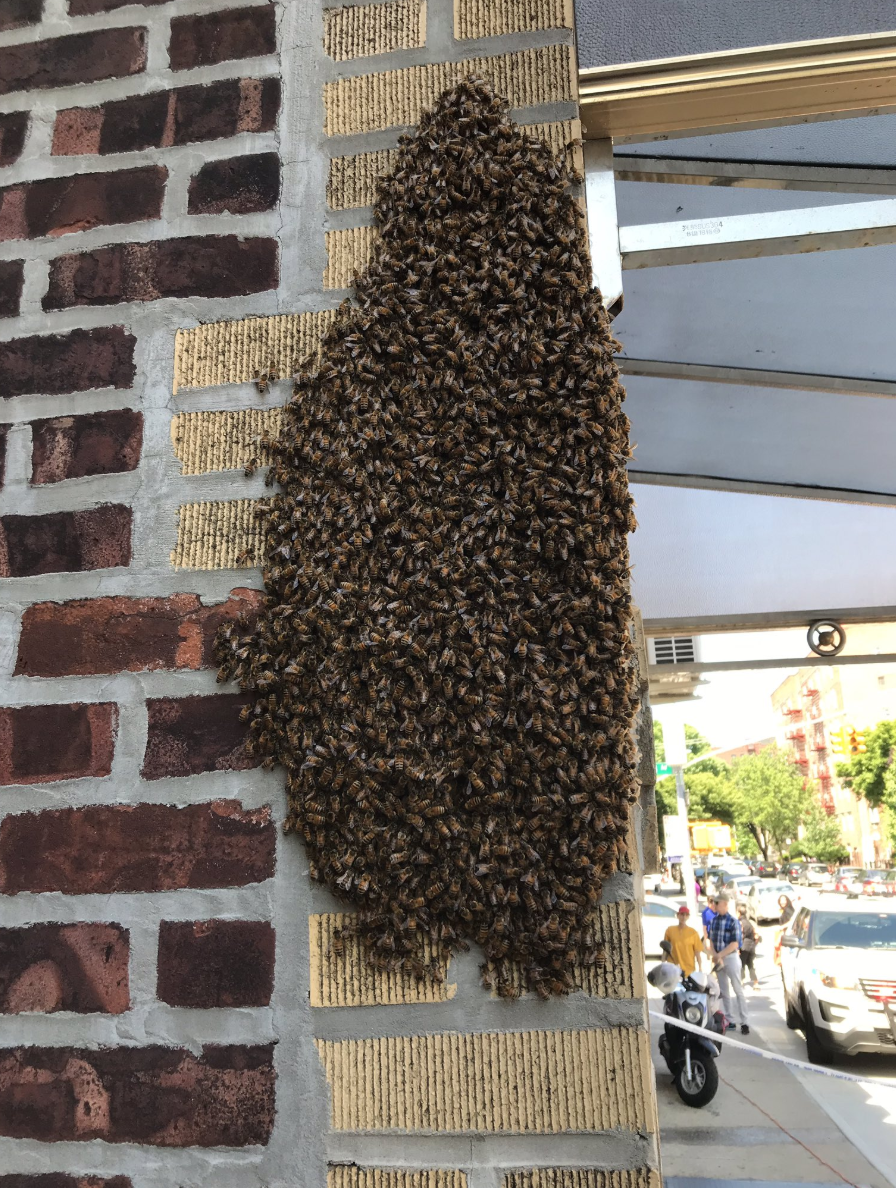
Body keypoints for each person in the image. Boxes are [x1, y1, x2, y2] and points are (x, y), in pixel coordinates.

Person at [708, 894, 750, 1035]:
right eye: (714, 903)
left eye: (717, 903)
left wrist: (720, 955)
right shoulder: (713, 921)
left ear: (725, 904)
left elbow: (735, 943)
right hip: (719, 958)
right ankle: (729, 1019)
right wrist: (715, 955)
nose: (715, 905)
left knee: (737, 989)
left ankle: (744, 1021)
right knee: (724, 990)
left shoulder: (733, 921)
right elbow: (711, 940)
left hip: (730, 957)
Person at [663, 905, 703, 976]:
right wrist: (663, 964)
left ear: (688, 917)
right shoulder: (670, 930)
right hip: (673, 968)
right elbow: (665, 949)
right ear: (678, 915)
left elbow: (697, 952)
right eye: (682, 914)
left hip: (688, 970)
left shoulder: (693, 933)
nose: (684, 917)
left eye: (686, 915)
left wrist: (700, 968)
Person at [738, 903, 760, 989]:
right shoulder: (750, 922)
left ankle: (741, 982)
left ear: (739, 913)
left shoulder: (740, 923)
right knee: (751, 965)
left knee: (741, 964)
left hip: (744, 946)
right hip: (751, 946)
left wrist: (737, 947)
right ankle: (755, 982)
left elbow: (740, 936)